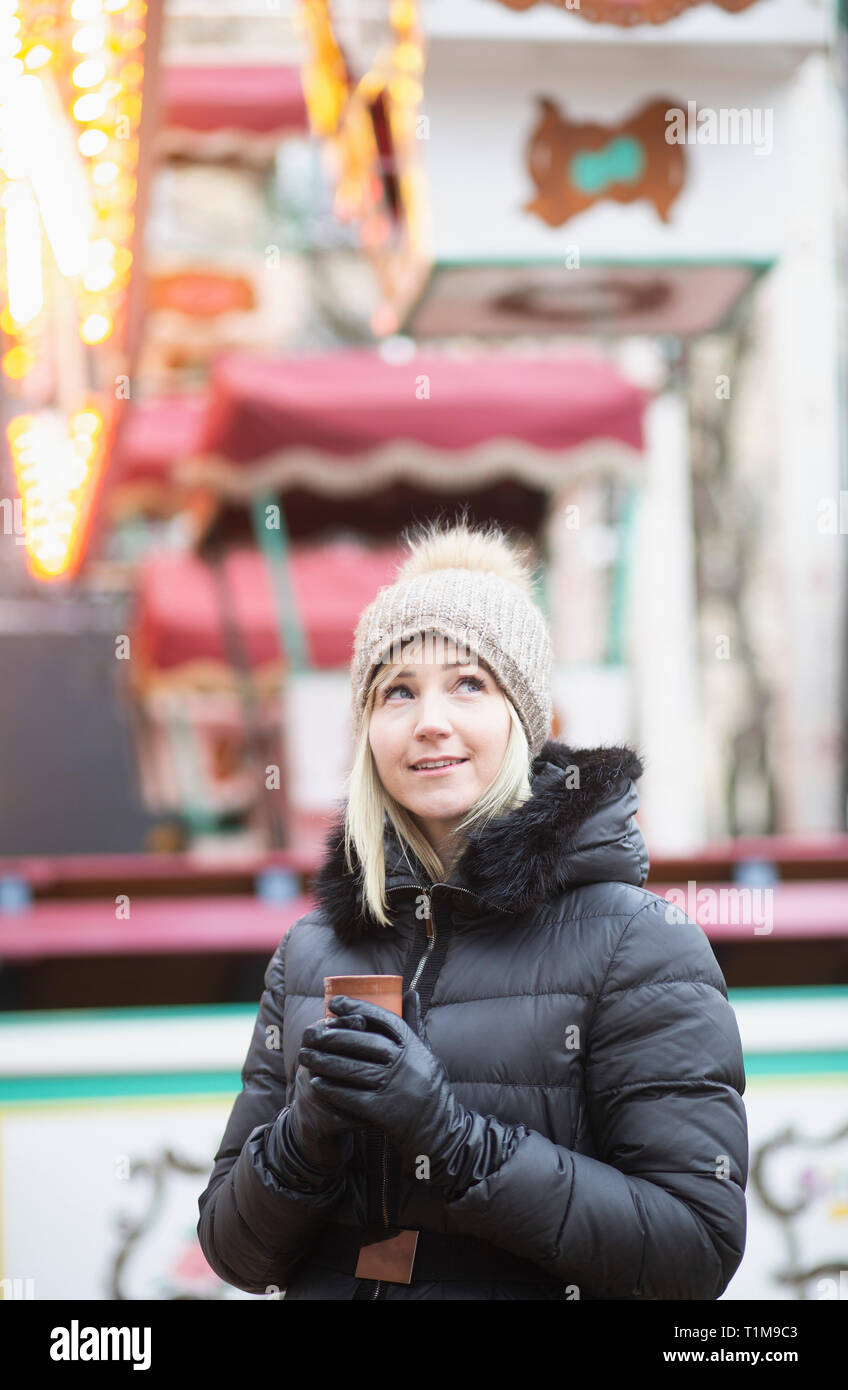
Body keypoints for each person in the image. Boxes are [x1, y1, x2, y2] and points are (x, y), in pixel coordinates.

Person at [197, 515, 748, 1300]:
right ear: (369, 733)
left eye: (468, 683)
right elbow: (234, 1253)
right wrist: (304, 1139)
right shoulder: (312, 951)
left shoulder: (640, 943)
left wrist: (455, 1140)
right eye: (397, 692)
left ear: (524, 721)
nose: (429, 721)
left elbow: (693, 1253)